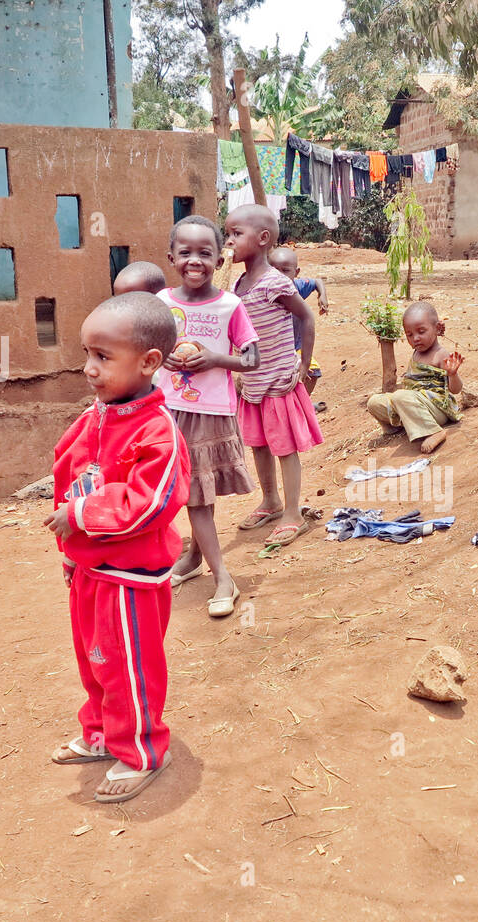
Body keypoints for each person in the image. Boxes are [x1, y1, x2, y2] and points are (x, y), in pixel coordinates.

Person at [45, 292, 188, 803]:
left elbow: (151, 502)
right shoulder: (96, 416)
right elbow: (68, 473)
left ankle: (143, 750)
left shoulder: (158, 431)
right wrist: (69, 549)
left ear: (149, 362)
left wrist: (80, 516)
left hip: (131, 577)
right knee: (95, 659)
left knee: (130, 667)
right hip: (89, 568)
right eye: (87, 354)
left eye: (103, 357)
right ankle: (102, 732)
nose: (89, 368)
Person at [156, 214, 260, 617]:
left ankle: (223, 579)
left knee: (197, 498)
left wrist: (217, 359)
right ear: (171, 257)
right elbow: (147, 347)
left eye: (205, 253)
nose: (194, 261)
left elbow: (251, 357)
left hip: (211, 413)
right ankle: (191, 560)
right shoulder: (163, 303)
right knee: (195, 493)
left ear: (220, 259)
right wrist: (160, 357)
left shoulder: (230, 306)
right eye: (186, 253)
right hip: (170, 411)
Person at [225, 204, 323, 548]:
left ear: (262, 239)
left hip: (279, 381)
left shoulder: (274, 282)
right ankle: (270, 501)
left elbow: (307, 318)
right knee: (259, 445)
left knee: (284, 449)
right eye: (228, 234)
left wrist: (303, 365)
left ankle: (293, 512)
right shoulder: (236, 285)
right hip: (252, 383)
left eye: (236, 234)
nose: (229, 242)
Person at [365, 301, 463, 455]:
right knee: (374, 401)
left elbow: (456, 390)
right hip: (413, 403)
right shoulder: (416, 354)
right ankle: (398, 426)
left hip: (436, 409)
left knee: (401, 396)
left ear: (437, 328)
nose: (415, 338)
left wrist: (453, 374)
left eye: (421, 332)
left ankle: (434, 432)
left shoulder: (440, 354)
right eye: (410, 335)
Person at [268, 246, 328, 401]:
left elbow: (317, 281)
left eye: (285, 270)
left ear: (296, 272)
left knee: (311, 372)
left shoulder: (297, 287)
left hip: (296, 348)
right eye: (275, 270)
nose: (280, 275)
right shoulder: (265, 291)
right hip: (274, 349)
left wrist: (322, 296)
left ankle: (301, 403)